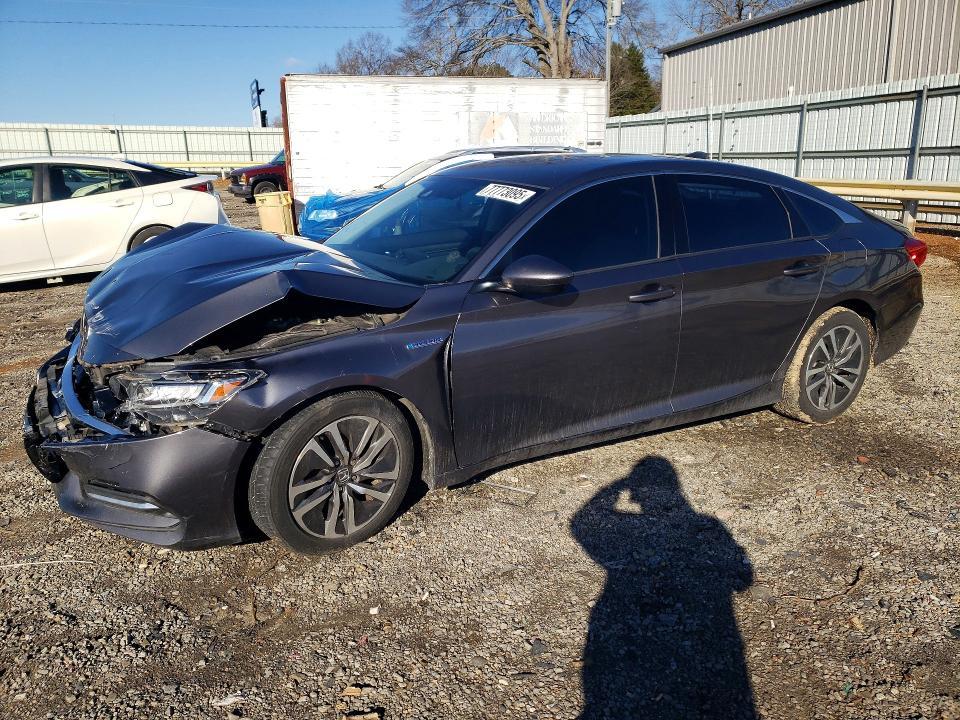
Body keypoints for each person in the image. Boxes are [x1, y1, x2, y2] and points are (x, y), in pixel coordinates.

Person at [570, 455, 757, 719]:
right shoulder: (711, 526)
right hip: (713, 638)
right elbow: (744, 580)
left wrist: (616, 486)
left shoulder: (699, 526)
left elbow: (581, 523)